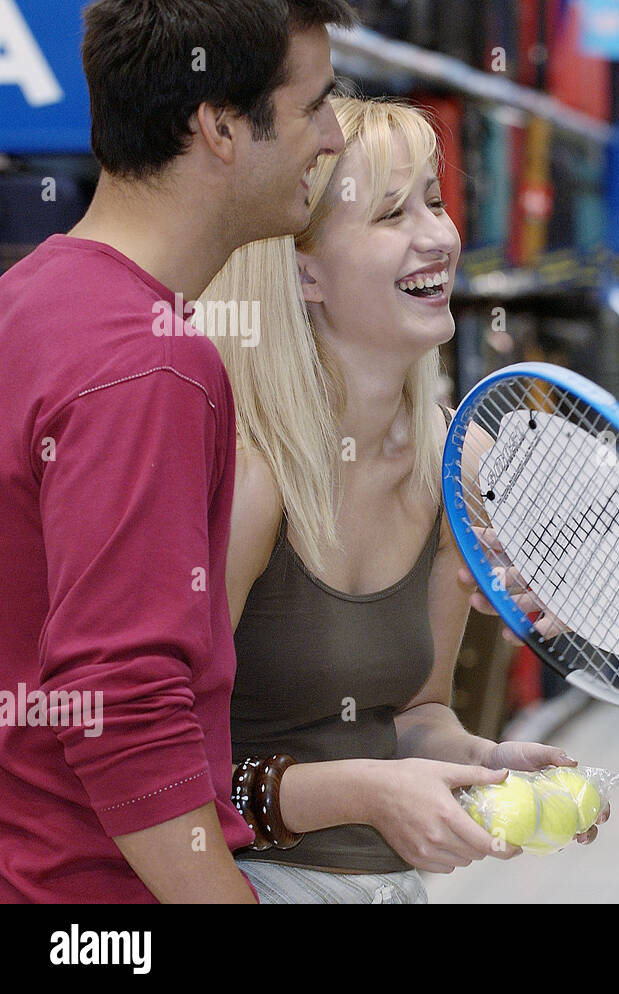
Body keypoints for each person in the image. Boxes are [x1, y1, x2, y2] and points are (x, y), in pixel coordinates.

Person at [201, 94, 607, 904]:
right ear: (304, 270)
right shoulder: (250, 477)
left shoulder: (454, 464)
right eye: (390, 212)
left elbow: (412, 716)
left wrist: (483, 764)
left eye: (433, 198)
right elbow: (160, 771)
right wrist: (360, 795)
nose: (439, 236)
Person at [0, 0, 356, 903]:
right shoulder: (149, 359)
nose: (332, 136)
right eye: (313, 104)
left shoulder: (28, 300)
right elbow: (121, 701)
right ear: (220, 126)